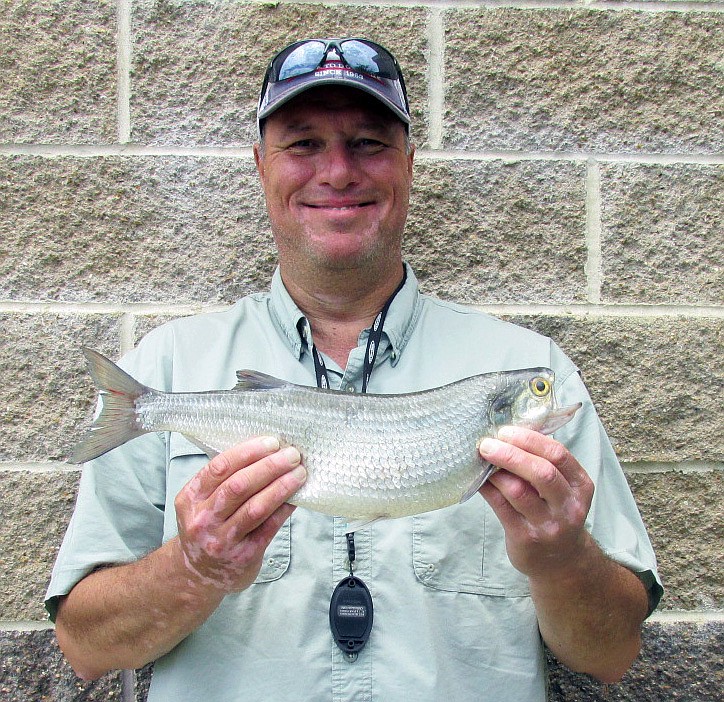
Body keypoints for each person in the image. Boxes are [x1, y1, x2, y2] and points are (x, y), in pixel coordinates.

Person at [47, 38, 662, 701]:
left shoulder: (531, 369)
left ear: (408, 165)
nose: (338, 172)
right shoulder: (167, 368)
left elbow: (612, 655)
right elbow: (85, 647)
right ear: (261, 166)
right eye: (303, 144)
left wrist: (561, 558)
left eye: (368, 143)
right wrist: (192, 568)